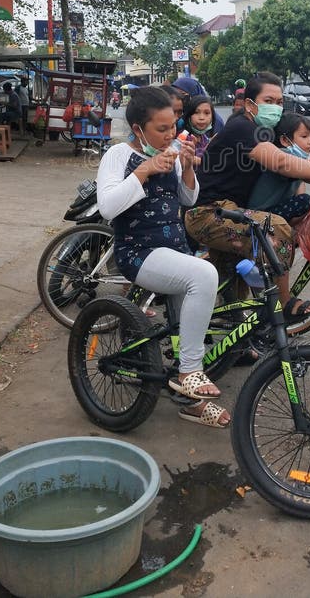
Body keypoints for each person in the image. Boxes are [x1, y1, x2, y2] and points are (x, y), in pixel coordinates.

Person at [96, 86, 230, 429]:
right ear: (138, 128)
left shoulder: (170, 151)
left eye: (172, 126)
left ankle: (191, 403)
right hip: (138, 253)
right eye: (162, 128)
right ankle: (189, 372)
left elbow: (187, 198)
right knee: (204, 275)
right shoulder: (118, 155)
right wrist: (145, 170)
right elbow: (109, 207)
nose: (171, 134)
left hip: (172, 251)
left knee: (185, 321)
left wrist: (186, 168)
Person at [185, 72, 310, 320]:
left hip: (229, 210)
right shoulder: (242, 128)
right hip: (208, 213)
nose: (276, 107)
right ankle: (284, 303)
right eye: (269, 101)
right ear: (250, 104)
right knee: (276, 229)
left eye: (280, 102)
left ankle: (238, 349)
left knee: (234, 290)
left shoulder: (262, 132)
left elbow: (296, 166)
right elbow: (281, 163)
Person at [247, 113, 310, 223]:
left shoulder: (298, 160)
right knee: (305, 201)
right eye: (304, 137)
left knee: (303, 200)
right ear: (285, 140)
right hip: (260, 213)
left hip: (272, 209)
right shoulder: (285, 157)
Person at [183, 94, 217, 161]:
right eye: (196, 112)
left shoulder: (205, 138)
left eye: (207, 113)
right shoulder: (183, 139)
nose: (201, 118)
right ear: (188, 115)